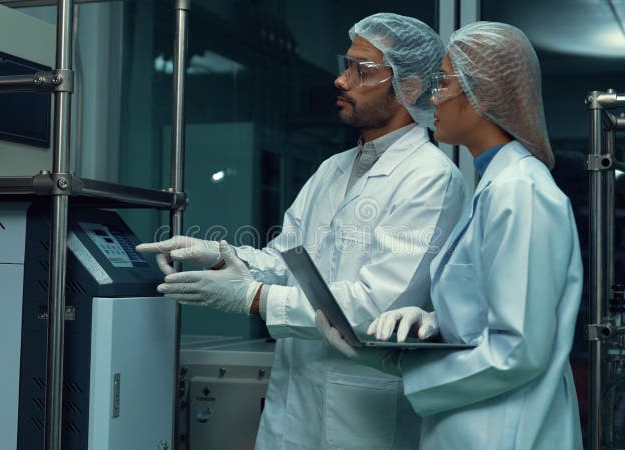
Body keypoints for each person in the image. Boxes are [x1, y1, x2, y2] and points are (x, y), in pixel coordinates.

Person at [136, 13, 470, 450]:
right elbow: (285, 260)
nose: (341, 80)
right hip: (294, 409)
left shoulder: (431, 178)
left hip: (363, 418)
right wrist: (221, 255)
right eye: (345, 65)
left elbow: (377, 307)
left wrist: (253, 298)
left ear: (408, 86)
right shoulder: (333, 169)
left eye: (360, 70)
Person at [316, 21, 584, 449]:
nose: (431, 96)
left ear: (484, 95)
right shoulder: (493, 185)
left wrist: (402, 367)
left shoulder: (522, 191)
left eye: (443, 83)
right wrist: (436, 324)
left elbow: (518, 350)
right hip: (473, 426)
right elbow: (493, 312)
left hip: (508, 432)